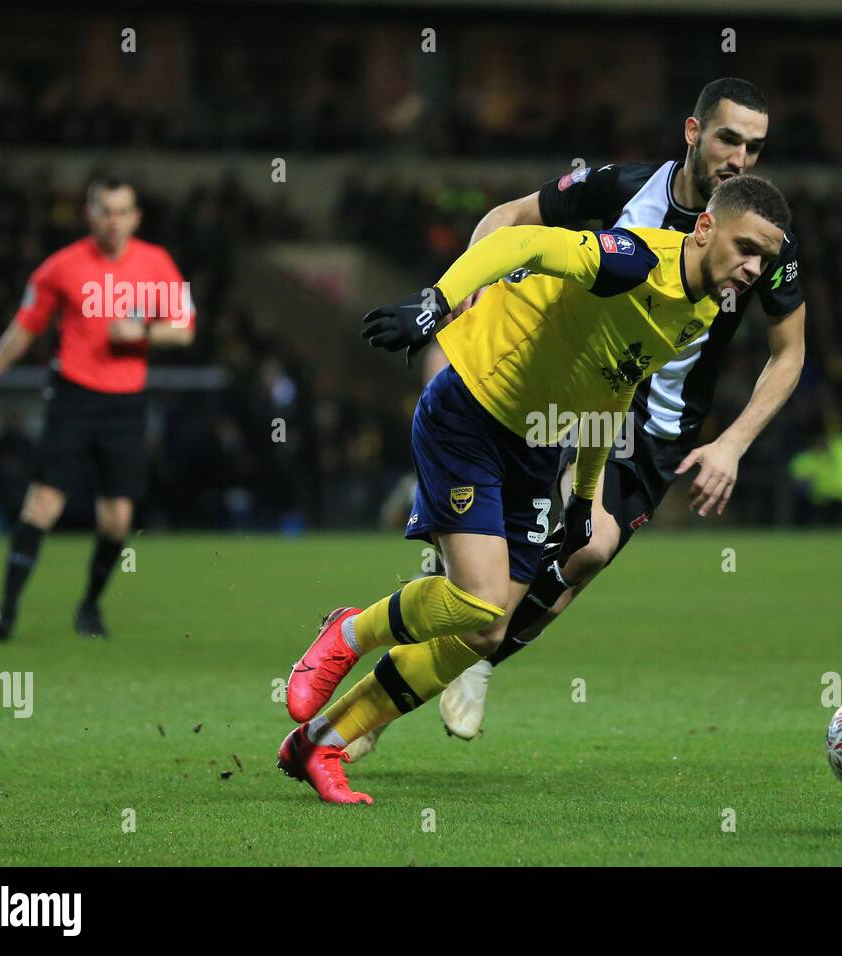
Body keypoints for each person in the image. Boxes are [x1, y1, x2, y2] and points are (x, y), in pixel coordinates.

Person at [278, 175, 791, 803]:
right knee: (481, 600)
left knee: (486, 633)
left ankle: (321, 742)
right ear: (706, 229)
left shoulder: (702, 311)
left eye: (765, 258)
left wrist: (584, 500)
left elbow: (616, 388)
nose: (753, 267)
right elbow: (522, 244)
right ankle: (349, 633)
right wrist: (437, 301)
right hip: (471, 407)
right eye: (746, 247)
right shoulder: (631, 259)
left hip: (538, 445)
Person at [351, 77, 806, 758]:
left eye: (755, 147)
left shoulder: (762, 241)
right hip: (566, 391)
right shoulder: (624, 190)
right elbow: (510, 222)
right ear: (693, 133)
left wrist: (733, 444)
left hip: (652, 426)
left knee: (584, 550)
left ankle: (475, 657)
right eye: (728, 138)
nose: (740, 157)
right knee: (495, 579)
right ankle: (390, 694)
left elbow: (790, 352)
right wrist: (464, 300)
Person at [0, 176, 196, 639]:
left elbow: (185, 329)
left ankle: (89, 607)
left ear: (136, 217)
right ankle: (6, 612)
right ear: (90, 214)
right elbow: (24, 327)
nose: (113, 221)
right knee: (44, 502)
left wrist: (143, 334)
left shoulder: (156, 263)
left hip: (126, 403)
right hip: (72, 395)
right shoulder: (61, 268)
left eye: (121, 211)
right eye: (105, 211)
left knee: (117, 518)